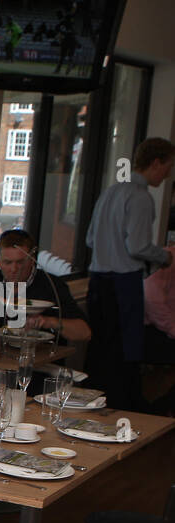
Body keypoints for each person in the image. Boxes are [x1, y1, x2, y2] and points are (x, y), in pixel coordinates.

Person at [84, 137, 175, 410]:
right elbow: (137, 246)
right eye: (168, 166)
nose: (169, 173)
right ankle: (126, 412)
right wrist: (165, 256)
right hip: (123, 284)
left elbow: (90, 239)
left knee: (99, 350)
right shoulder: (140, 197)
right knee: (124, 353)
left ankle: (95, 408)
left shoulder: (109, 192)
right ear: (156, 163)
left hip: (97, 282)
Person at [0, 229, 90, 342]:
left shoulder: (53, 285)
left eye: (20, 263)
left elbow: (84, 333)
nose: (14, 269)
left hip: (43, 356)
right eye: (7, 262)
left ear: (32, 260)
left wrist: (49, 322)